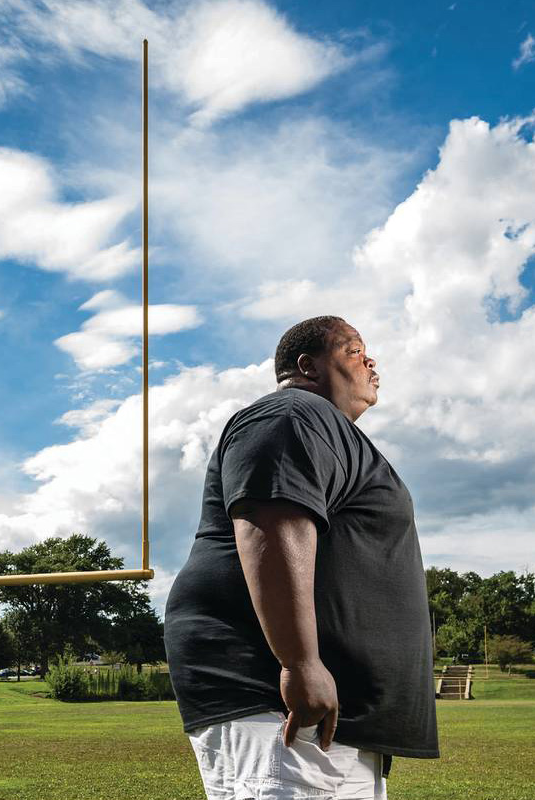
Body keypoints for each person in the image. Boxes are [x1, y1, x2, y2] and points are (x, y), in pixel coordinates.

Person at [163, 316, 438, 800]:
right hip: (279, 704)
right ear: (306, 366)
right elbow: (271, 520)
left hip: (327, 718)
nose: (371, 361)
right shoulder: (292, 414)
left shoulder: (324, 428)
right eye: (353, 350)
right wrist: (301, 662)